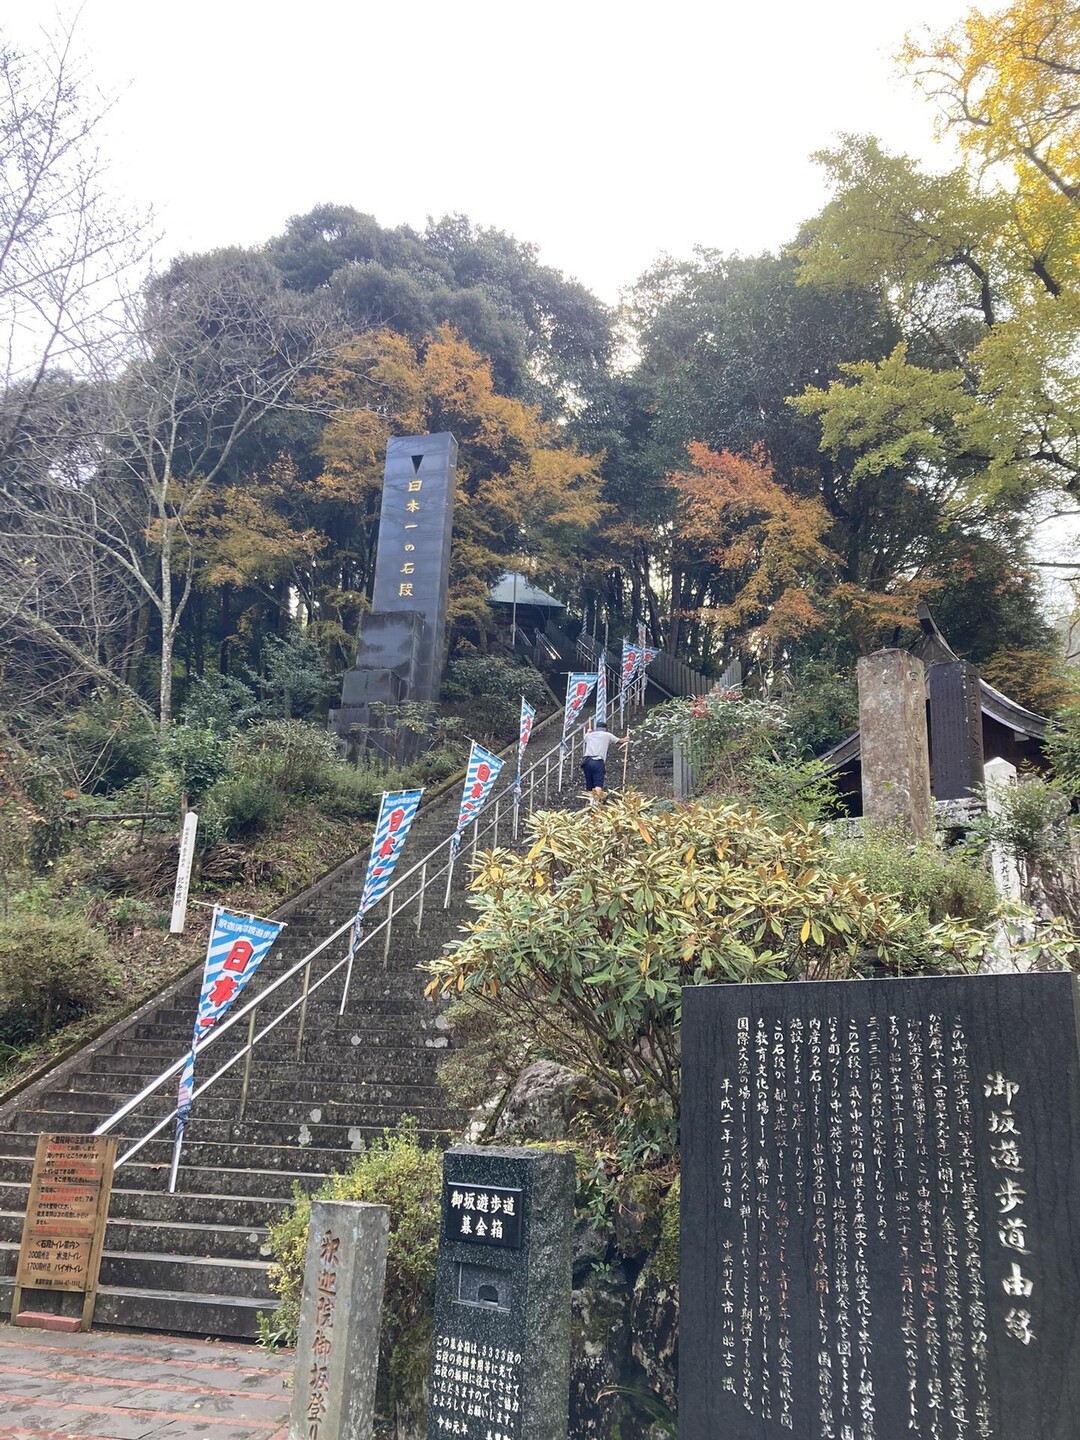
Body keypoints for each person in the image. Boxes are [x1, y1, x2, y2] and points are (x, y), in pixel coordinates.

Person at [581, 721, 627, 800]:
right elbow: (619, 741)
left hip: (586, 761)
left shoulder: (588, 735)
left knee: (589, 784)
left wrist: (588, 732)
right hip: (597, 761)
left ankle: (590, 802)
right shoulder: (607, 735)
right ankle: (597, 802)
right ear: (605, 729)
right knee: (598, 783)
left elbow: (586, 737)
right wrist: (626, 739)